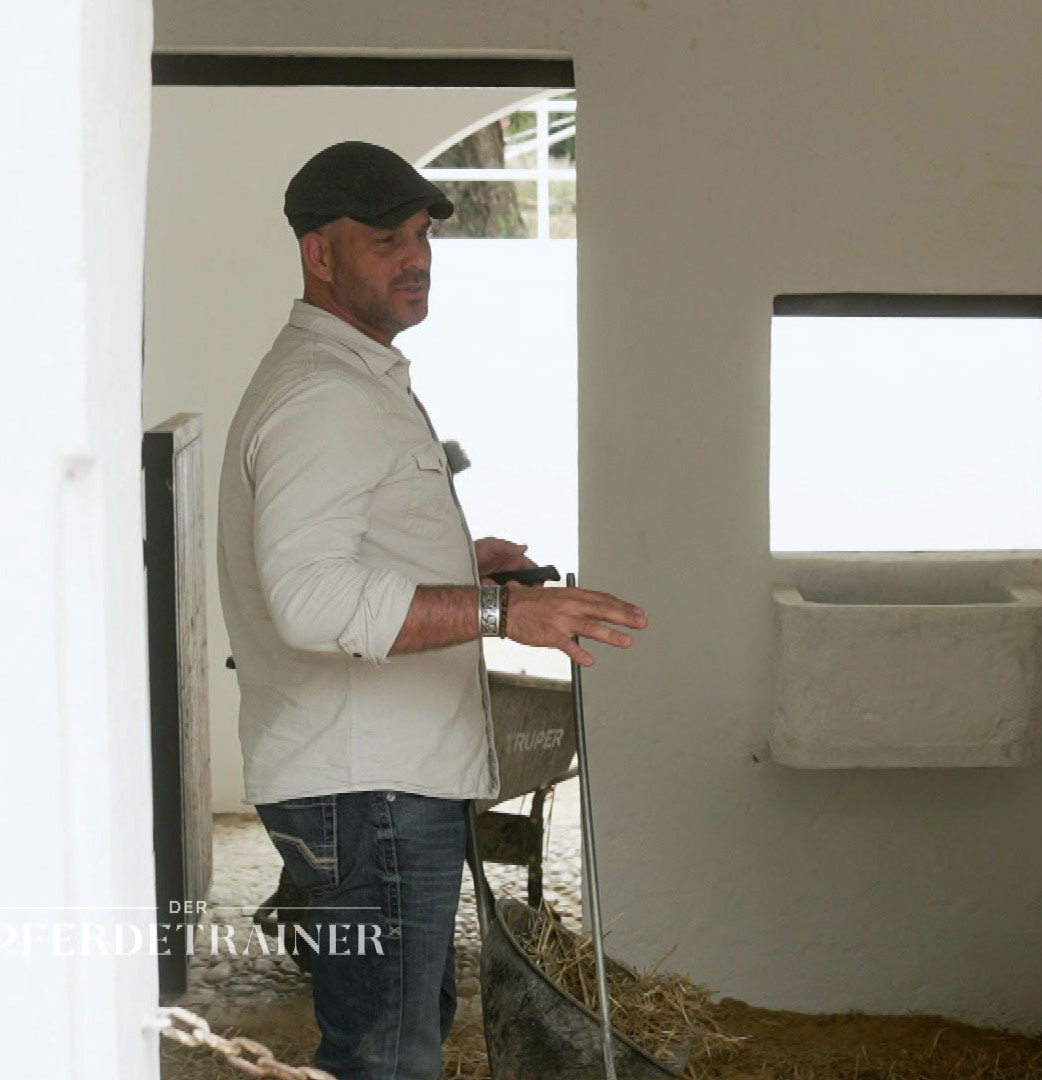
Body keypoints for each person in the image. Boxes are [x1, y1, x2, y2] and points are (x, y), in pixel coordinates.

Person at [215, 140, 648, 1080]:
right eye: (385, 239)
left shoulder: (351, 372)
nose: (416, 257)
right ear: (318, 254)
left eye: (421, 235)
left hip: (372, 775)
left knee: (402, 1030)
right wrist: (498, 611)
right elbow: (310, 598)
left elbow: (338, 552)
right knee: (386, 1054)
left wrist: (459, 560)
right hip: (365, 788)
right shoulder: (323, 396)